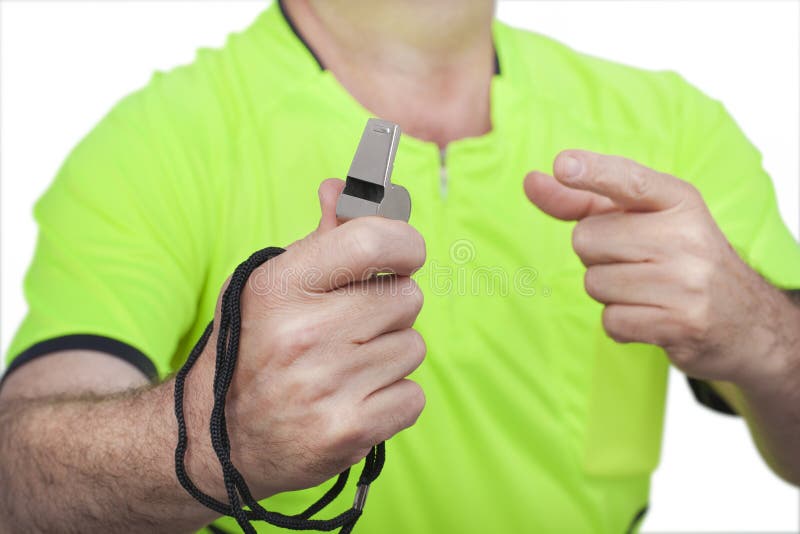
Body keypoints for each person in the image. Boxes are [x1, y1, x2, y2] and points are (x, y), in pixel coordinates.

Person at [1, 0, 799, 532]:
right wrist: (214, 439)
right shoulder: (156, 142)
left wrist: (763, 333)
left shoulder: (674, 126)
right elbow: (15, 475)